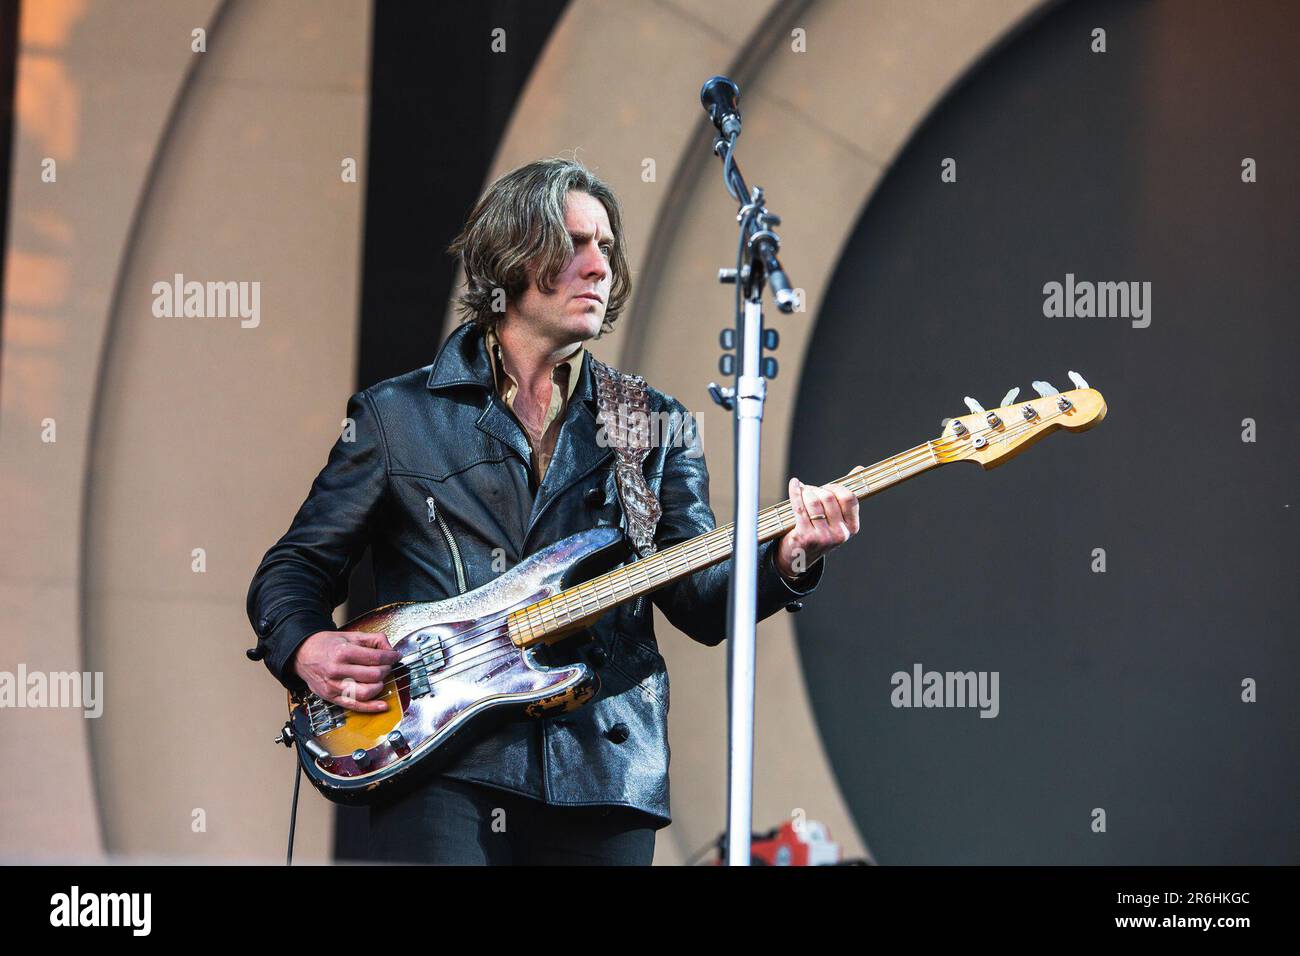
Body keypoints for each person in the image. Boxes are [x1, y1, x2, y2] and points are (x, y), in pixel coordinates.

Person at [246, 158, 861, 865]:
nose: (599, 266)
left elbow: (698, 600)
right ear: (509, 259)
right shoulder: (398, 415)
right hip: (440, 764)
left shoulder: (650, 422)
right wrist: (303, 646)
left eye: (605, 246)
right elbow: (295, 565)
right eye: (574, 244)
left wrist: (790, 557)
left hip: (602, 768)